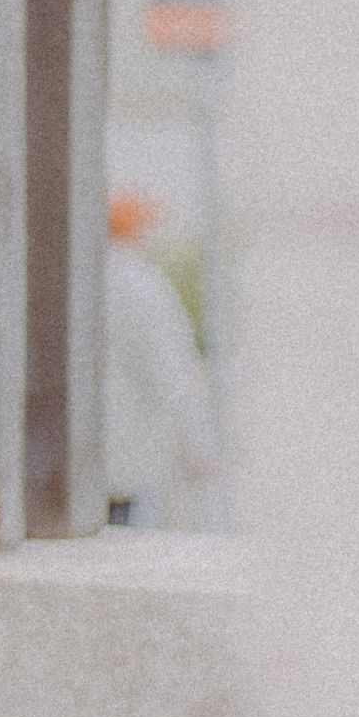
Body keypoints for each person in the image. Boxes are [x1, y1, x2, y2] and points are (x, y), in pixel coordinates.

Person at [103, 186, 220, 528]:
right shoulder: (144, 286)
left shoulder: (81, 279)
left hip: (77, 466)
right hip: (129, 463)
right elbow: (172, 375)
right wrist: (199, 447)